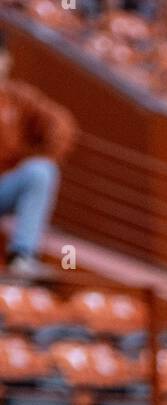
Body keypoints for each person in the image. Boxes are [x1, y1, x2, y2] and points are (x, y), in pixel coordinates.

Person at [0, 36, 77, 278]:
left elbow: (61, 124)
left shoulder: (17, 97)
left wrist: (33, 155)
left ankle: (22, 256)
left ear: (7, 61)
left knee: (41, 171)